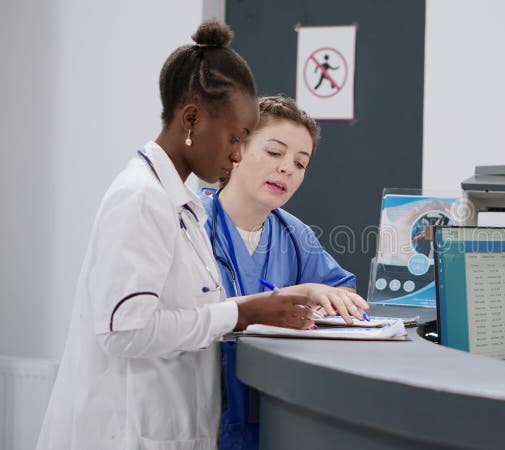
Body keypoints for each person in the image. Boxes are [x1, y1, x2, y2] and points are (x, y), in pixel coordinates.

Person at [36, 22, 353, 450]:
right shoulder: (142, 198)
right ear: (191, 119)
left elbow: (193, 312)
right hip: (127, 432)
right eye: (237, 139)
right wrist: (243, 313)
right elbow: (123, 330)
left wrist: (254, 308)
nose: (237, 154)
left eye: (300, 162)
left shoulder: (178, 203)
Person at [198, 95, 369, 450]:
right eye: (274, 153)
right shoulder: (191, 224)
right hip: (199, 412)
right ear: (236, 149)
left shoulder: (294, 234)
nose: (287, 169)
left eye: (300, 163)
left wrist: (320, 304)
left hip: (274, 415)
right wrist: (297, 294)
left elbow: (343, 294)